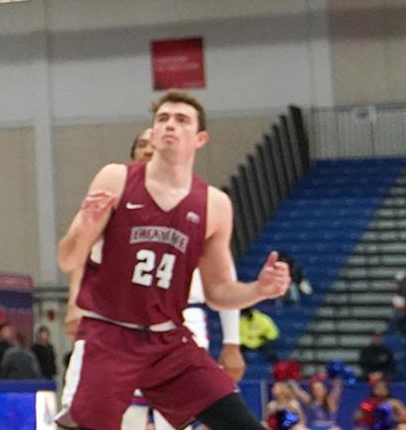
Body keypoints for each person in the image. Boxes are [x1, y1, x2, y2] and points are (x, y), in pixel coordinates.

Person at [56, 92, 288, 430]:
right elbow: (67, 259)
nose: (170, 125)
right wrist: (86, 228)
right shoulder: (115, 179)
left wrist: (259, 290)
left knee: (241, 422)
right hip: (110, 335)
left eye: (181, 120)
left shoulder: (215, 204)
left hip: (168, 340)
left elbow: (218, 291)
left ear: (200, 138)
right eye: (163, 118)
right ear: (151, 133)